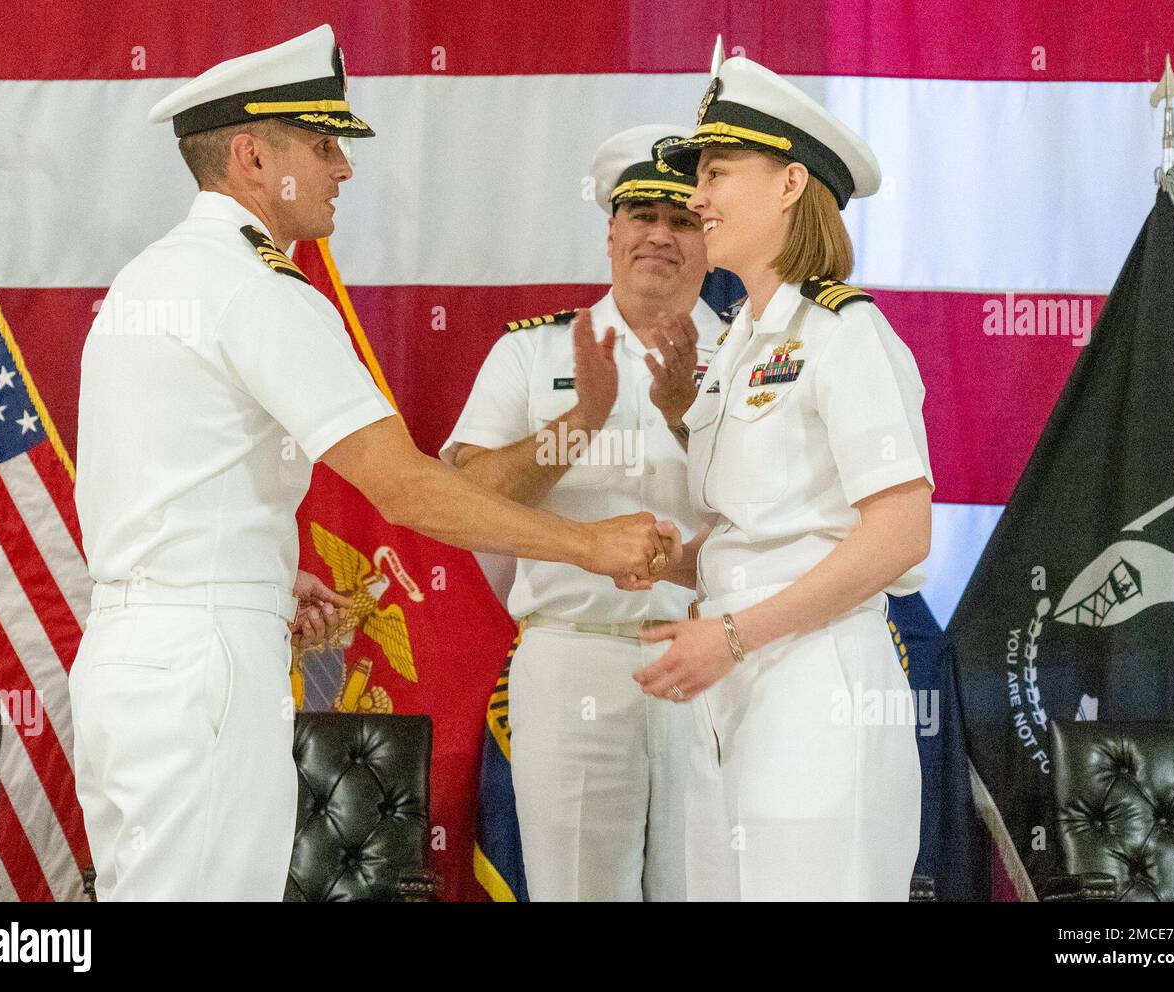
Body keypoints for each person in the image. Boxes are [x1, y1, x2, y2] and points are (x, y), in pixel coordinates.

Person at [70, 25, 676, 902]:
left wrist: (267, 582)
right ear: (249, 157)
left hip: (130, 655)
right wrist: (591, 547)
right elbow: (404, 486)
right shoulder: (257, 288)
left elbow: (162, 485)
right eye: (321, 145)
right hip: (204, 665)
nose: (342, 168)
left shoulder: (144, 279)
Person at [637, 54, 935, 901]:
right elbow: (770, 529)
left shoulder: (847, 333)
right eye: (698, 173)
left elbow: (900, 534)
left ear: (791, 183)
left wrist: (732, 636)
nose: (697, 196)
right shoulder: (740, 341)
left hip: (812, 684)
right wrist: (680, 563)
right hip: (732, 677)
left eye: (718, 170)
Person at [439, 125, 727, 900]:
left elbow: (775, 510)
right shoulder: (532, 353)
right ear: (610, 232)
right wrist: (582, 420)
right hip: (573, 655)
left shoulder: (750, 355)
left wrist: (682, 414)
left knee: (711, 888)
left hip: (715, 657)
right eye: (642, 214)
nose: (660, 235)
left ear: (711, 238)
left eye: (683, 219)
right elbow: (469, 501)